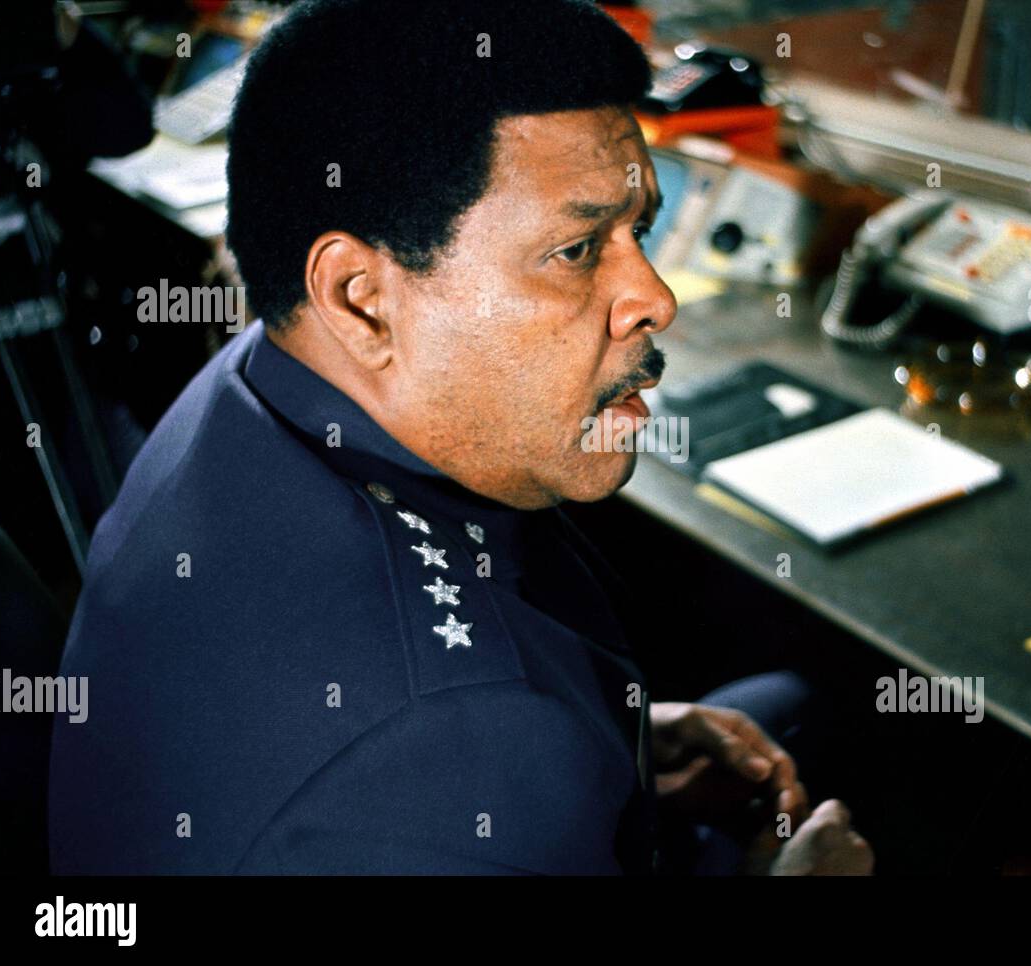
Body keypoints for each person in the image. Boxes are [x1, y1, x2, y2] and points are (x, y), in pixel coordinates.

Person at [48, 0, 872, 875]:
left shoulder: (252, 379)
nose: (654, 298)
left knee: (793, 701)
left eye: (640, 230)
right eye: (579, 248)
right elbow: (433, 750)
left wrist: (616, 741)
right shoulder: (462, 750)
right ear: (360, 297)